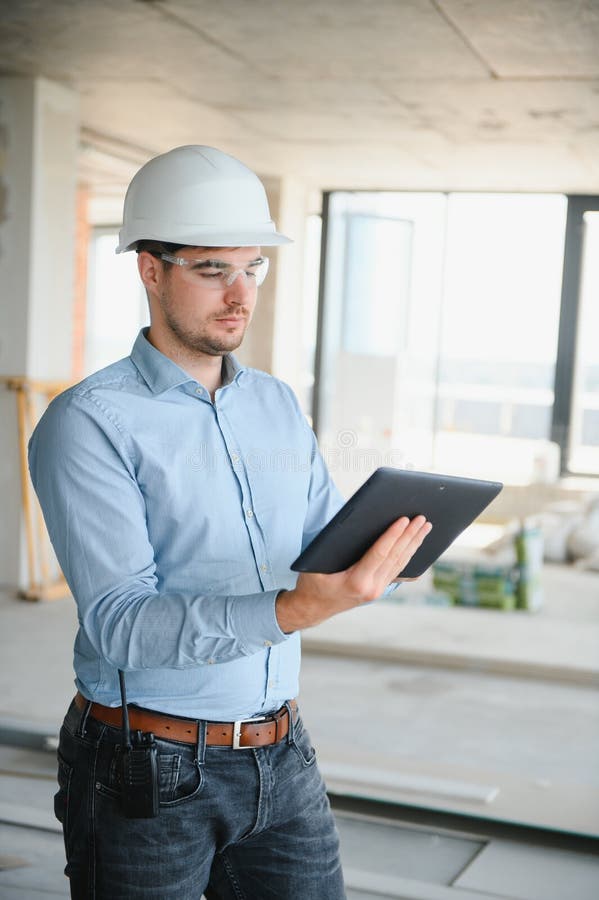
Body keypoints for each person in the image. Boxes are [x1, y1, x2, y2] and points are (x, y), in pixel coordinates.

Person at [28, 145, 432, 900]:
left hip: (282, 752)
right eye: (213, 270)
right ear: (151, 269)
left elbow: (319, 544)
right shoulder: (90, 422)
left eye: (253, 268)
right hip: (145, 767)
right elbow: (120, 623)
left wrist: (386, 546)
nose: (240, 294)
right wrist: (292, 610)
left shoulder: (273, 403)